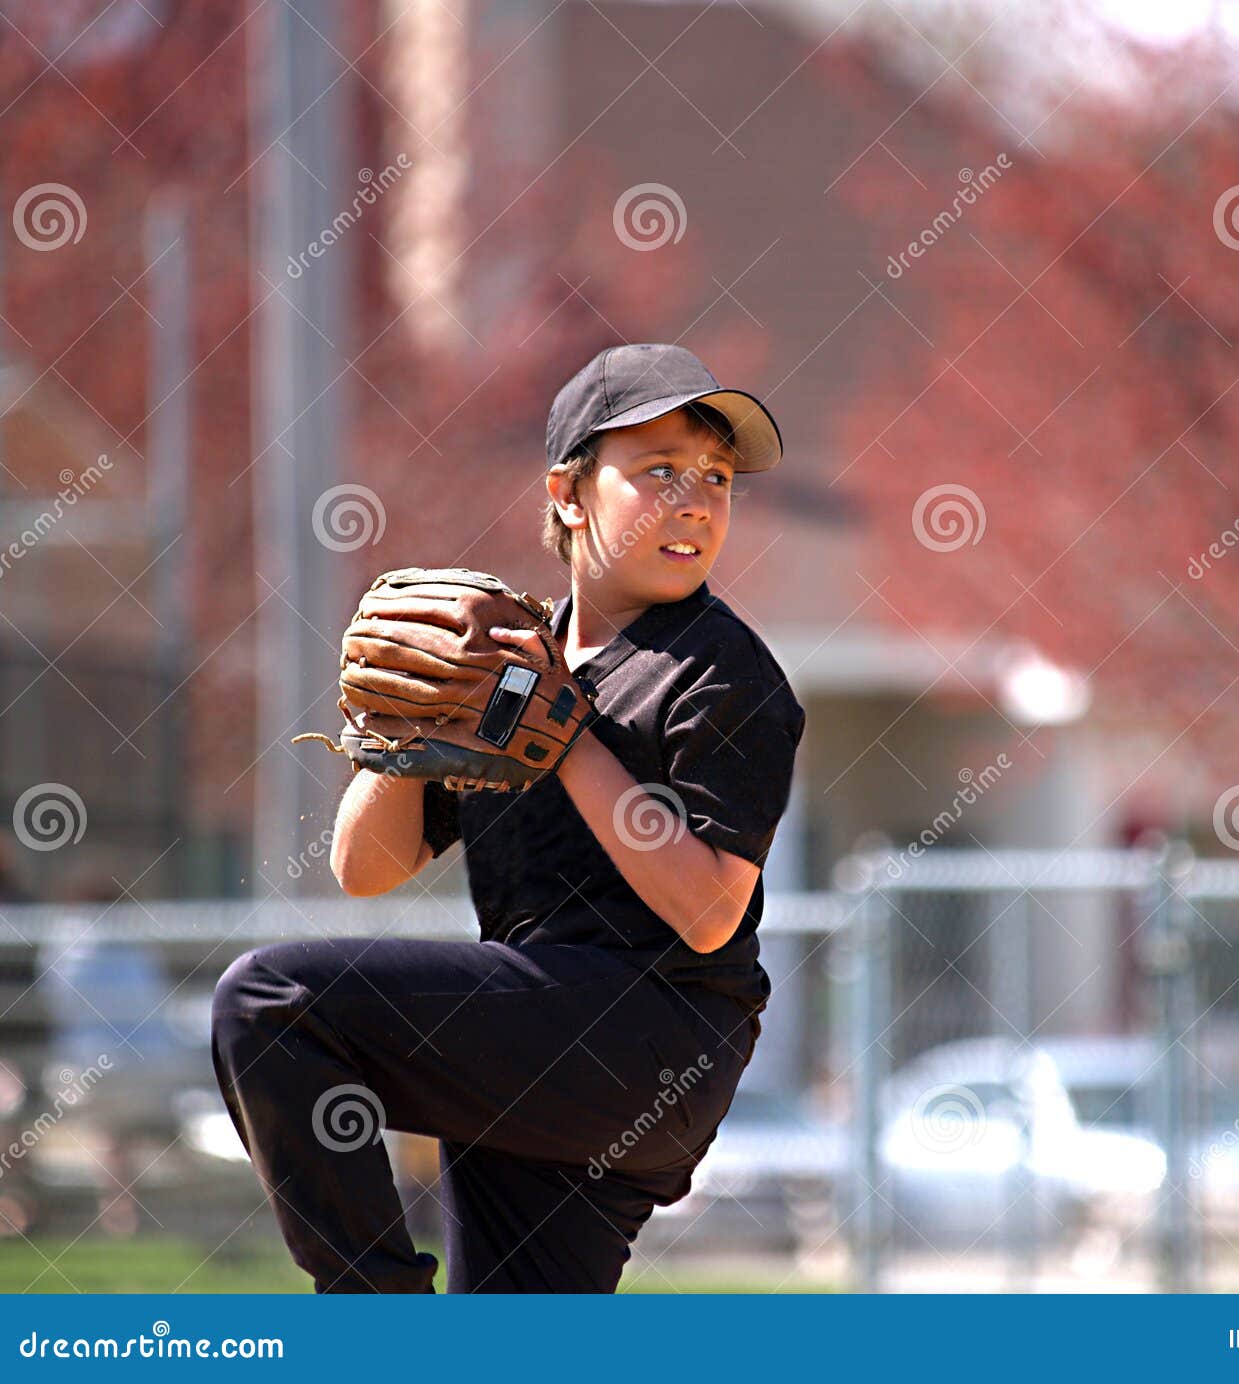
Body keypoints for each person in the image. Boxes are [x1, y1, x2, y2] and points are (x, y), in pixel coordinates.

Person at [211, 343, 806, 1292]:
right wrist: (405, 735)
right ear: (568, 493)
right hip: (529, 1042)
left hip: (647, 1035)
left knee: (273, 1003)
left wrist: (569, 742)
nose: (695, 501)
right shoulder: (512, 667)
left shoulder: (719, 672)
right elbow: (366, 869)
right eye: (658, 470)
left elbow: (710, 912)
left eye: (718, 478)